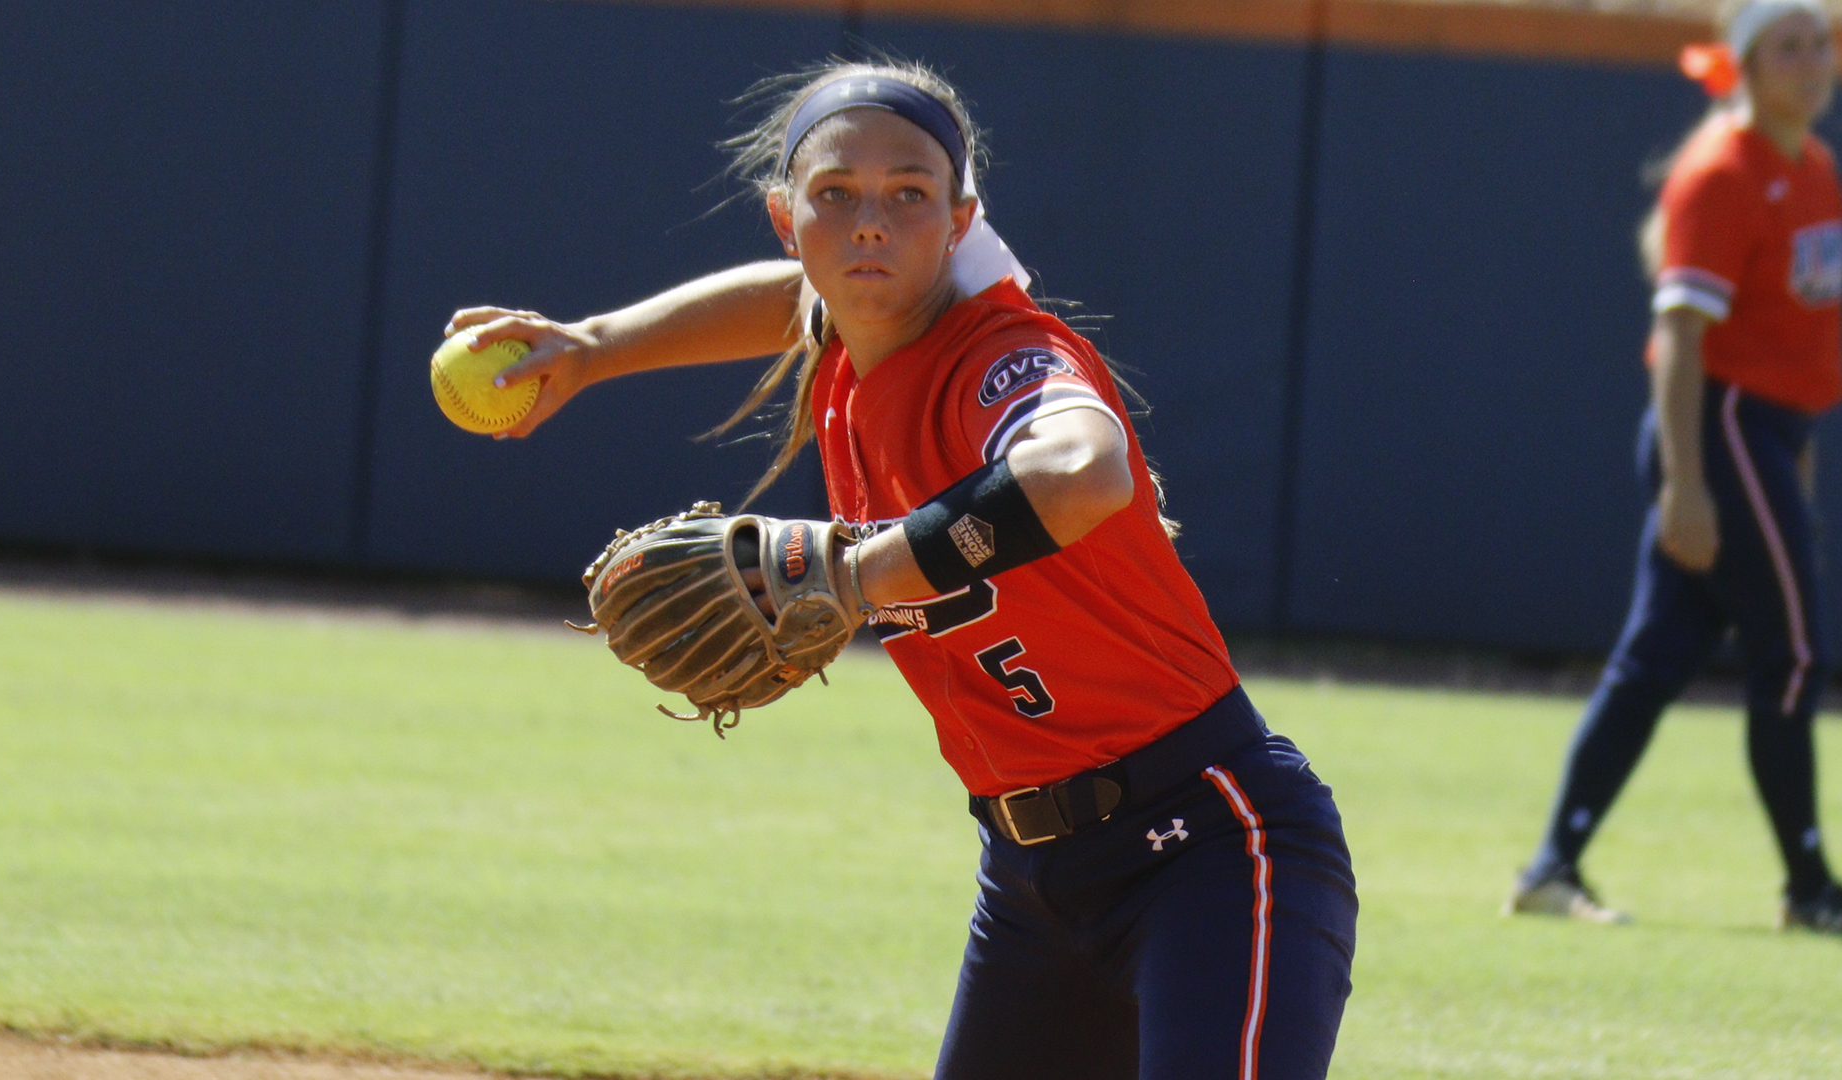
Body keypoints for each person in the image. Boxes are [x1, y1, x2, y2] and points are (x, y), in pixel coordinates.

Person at [447, 61, 1358, 1078]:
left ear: (961, 221)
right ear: (786, 221)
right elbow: (796, 300)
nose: (869, 223)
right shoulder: (844, 347)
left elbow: (1082, 469)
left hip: (1210, 852)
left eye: (909, 195)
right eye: (834, 195)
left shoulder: (1001, 358)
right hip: (1029, 884)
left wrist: (855, 574)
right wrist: (594, 345)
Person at [1506, 0, 1842, 938]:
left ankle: (1550, 866)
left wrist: (1786, 477)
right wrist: (1686, 482)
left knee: (1655, 661)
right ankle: (1811, 888)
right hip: (1718, 428)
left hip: (1764, 437)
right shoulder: (1720, 172)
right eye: (1785, 46)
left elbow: (1791, 353)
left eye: (1817, 43)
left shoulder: (1817, 168)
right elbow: (1680, 338)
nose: (1808, 61)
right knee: (1792, 657)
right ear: (1744, 67)